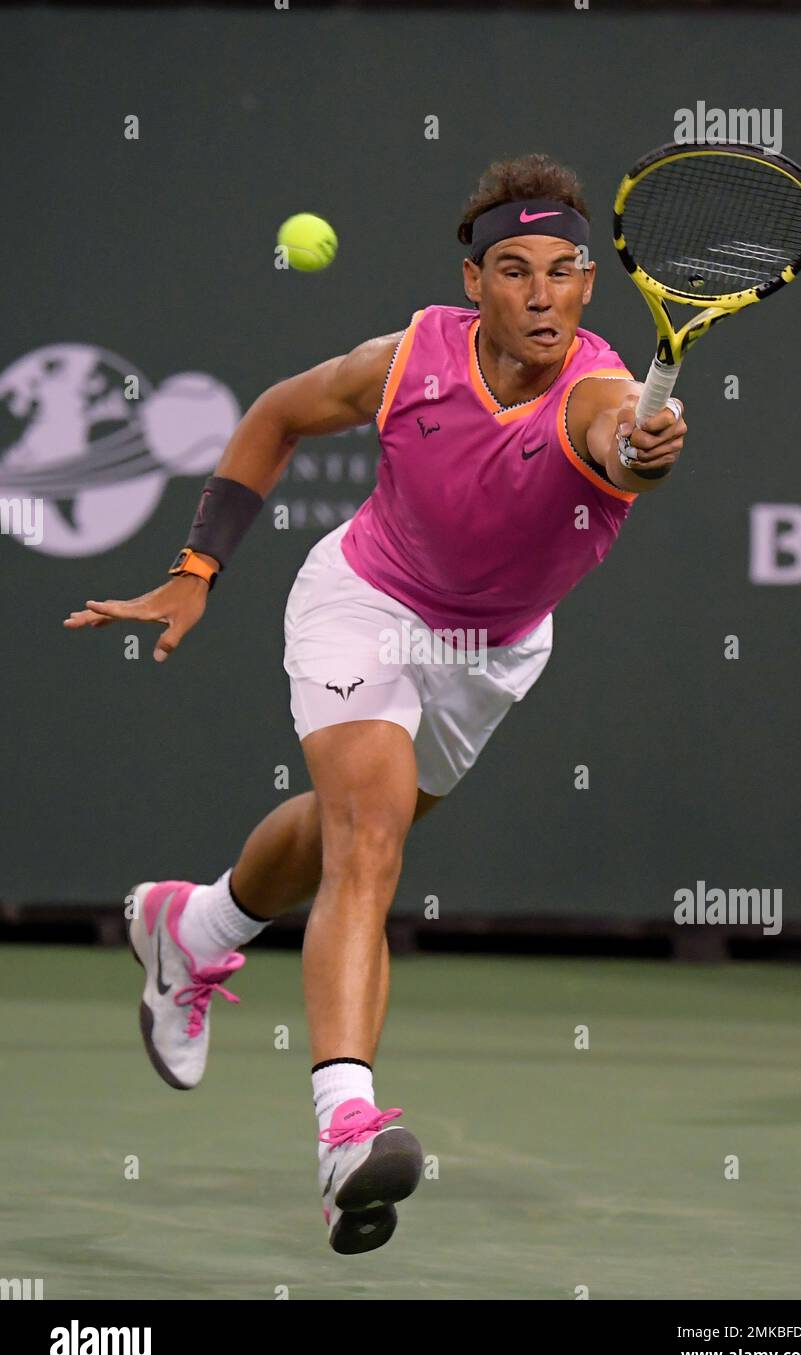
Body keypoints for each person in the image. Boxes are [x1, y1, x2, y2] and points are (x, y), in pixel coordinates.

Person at [65, 153, 687, 1255]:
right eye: (512, 271)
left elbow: (613, 443)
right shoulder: (406, 363)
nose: (539, 295)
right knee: (369, 834)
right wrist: (196, 570)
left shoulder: (598, 393)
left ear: (589, 283)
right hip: (364, 602)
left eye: (560, 271)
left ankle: (192, 923)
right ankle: (346, 1124)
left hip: (490, 652)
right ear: (473, 281)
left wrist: (636, 455)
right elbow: (273, 415)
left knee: (353, 827)